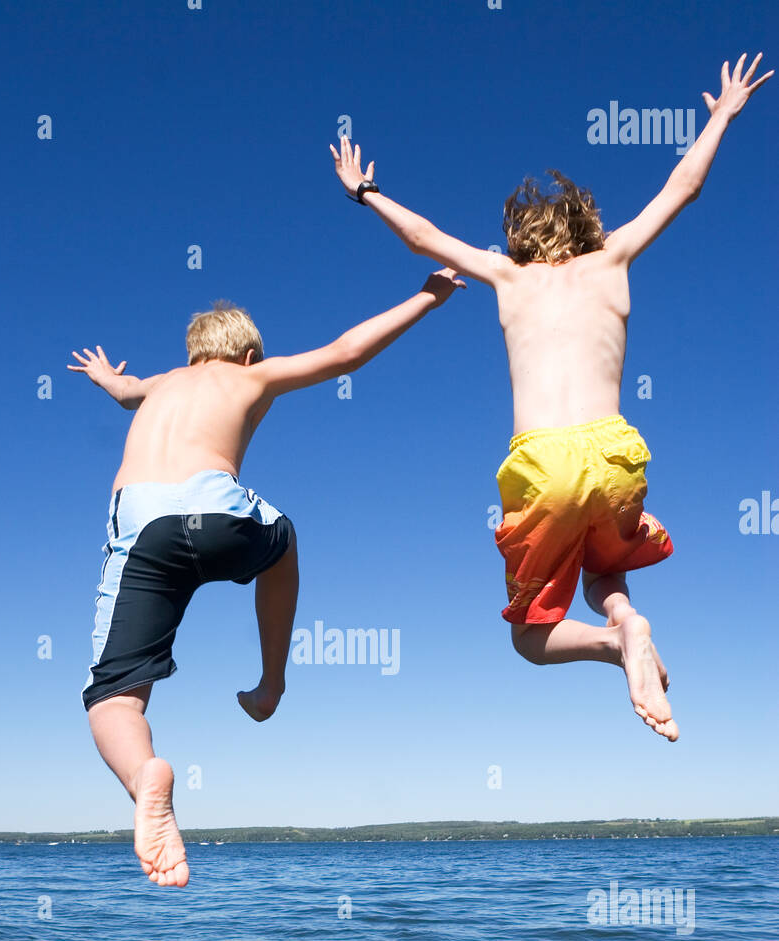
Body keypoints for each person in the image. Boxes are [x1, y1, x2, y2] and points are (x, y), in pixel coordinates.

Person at [331, 53, 772, 742]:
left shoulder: (508, 277)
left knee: (530, 640)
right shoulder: (616, 257)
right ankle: (628, 623)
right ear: (588, 232)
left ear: (520, 241)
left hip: (545, 466)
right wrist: (720, 116)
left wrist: (364, 191)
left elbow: (422, 238)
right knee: (607, 569)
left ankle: (612, 645)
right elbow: (682, 188)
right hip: (617, 454)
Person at [69, 271, 464, 885]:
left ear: (192, 353)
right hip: (219, 515)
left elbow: (125, 391)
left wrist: (104, 377)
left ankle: (144, 774)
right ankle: (270, 685)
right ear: (249, 353)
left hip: (141, 525)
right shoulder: (253, 373)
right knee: (283, 544)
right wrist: (427, 297)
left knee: (112, 697)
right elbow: (345, 353)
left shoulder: (161, 384)